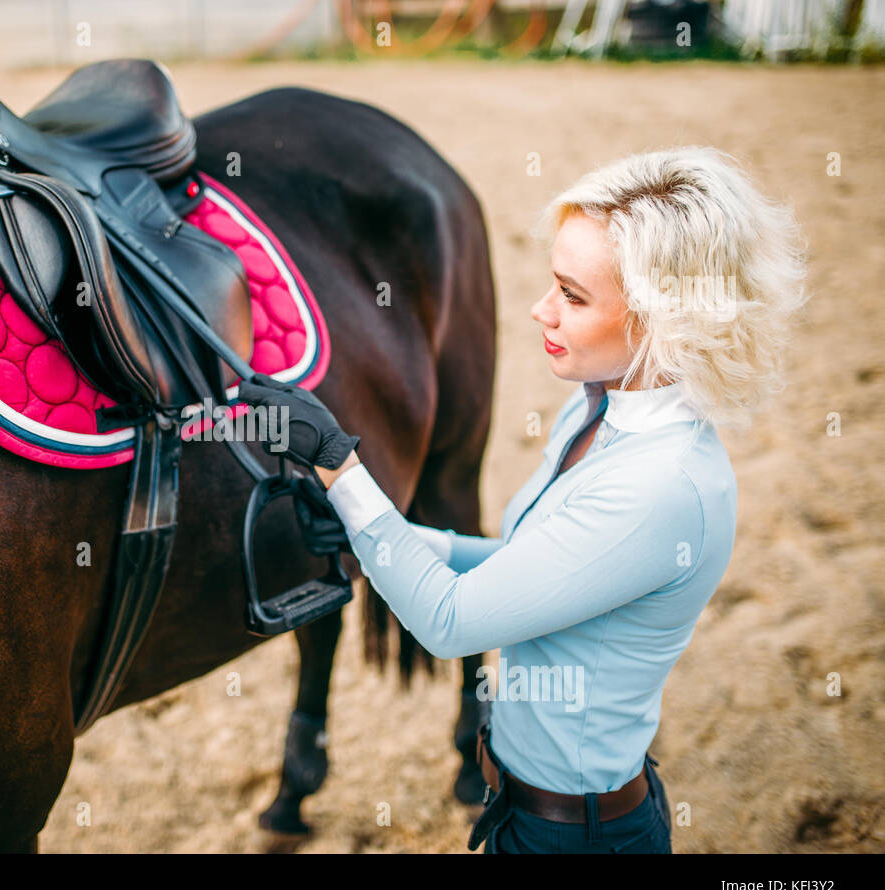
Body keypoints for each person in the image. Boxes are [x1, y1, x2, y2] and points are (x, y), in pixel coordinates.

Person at [238, 146, 807, 854]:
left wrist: (338, 466)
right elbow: (533, 564)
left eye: (572, 296)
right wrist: (400, 541)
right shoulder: (599, 407)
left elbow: (450, 624)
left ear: (665, 320)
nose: (541, 310)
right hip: (528, 811)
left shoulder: (658, 488)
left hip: (572, 837)